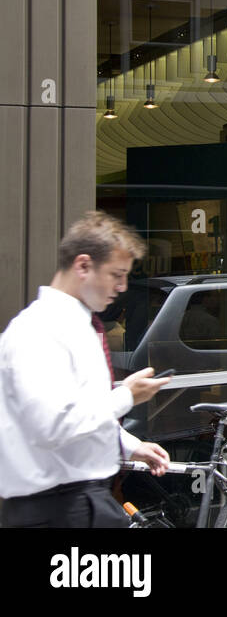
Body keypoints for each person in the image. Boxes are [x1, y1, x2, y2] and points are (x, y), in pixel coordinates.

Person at [0, 212, 173, 527]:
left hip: (79, 502)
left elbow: (78, 412)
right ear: (83, 266)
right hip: (56, 509)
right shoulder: (38, 330)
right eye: (116, 274)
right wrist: (126, 396)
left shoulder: (75, 326)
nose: (122, 286)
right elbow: (53, 425)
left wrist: (130, 446)